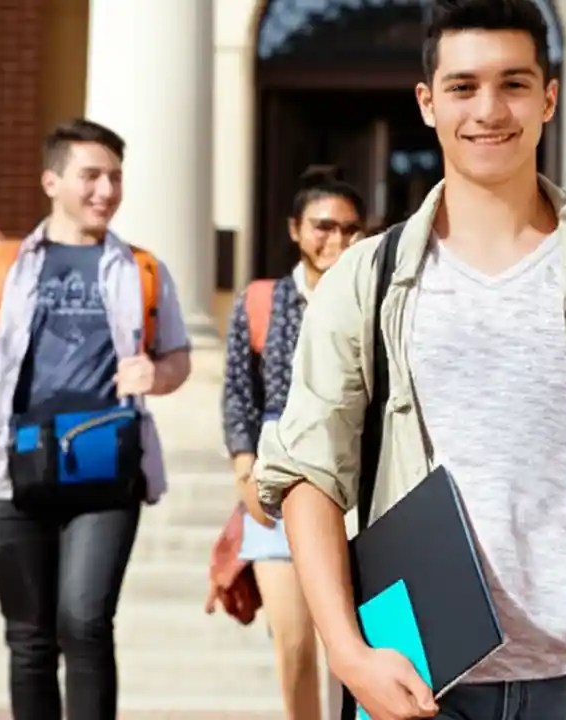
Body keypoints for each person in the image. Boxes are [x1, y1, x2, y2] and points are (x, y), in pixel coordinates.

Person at [253, 1, 566, 719]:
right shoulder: (364, 278)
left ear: (548, 98)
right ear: (428, 102)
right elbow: (310, 470)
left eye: (513, 83)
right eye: (464, 86)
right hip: (414, 674)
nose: (489, 110)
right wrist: (349, 655)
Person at [0, 118, 193, 720]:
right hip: (10, 472)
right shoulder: (3, 266)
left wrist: (160, 375)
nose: (106, 190)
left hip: (107, 470)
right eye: (91, 175)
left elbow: (177, 358)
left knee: (86, 621)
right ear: (52, 180)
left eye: (115, 177)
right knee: (30, 641)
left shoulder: (143, 268)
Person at [222, 166, 366, 719]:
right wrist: (243, 471)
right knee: (296, 643)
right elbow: (238, 391)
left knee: (355, 645)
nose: (337, 240)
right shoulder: (262, 301)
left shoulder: (371, 297)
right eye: (323, 227)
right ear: (295, 229)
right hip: (276, 475)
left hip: (355, 478)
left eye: (350, 229)